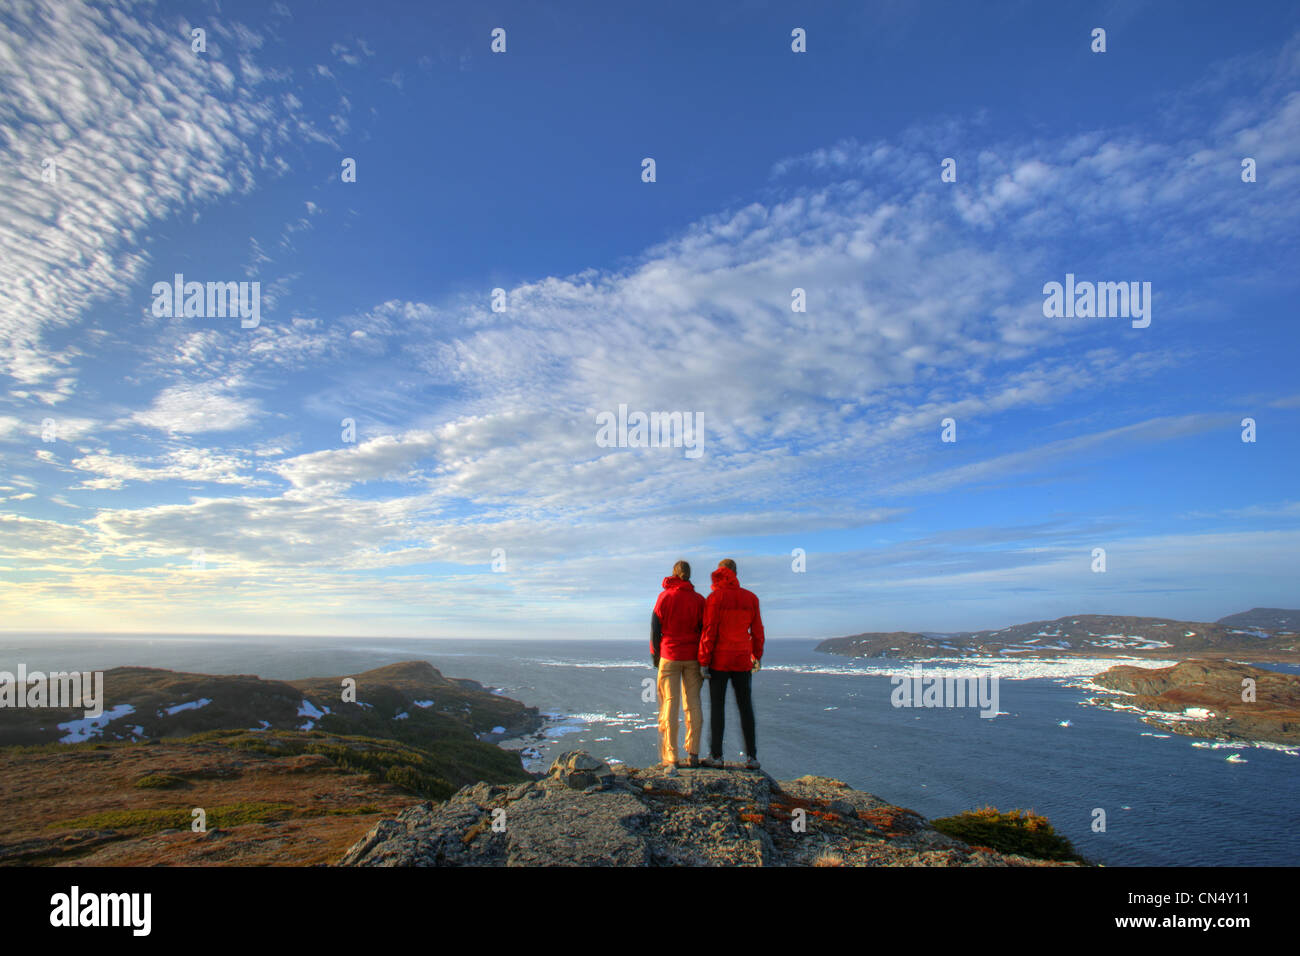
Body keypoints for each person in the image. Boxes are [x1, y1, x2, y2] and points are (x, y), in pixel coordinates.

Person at [698, 558, 765, 769]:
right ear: (736, 573)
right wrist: (757, 655)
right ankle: (752, 757)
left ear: (720, 572)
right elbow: (757, 631)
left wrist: (704, 660)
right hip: (742, 659)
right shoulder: (751, 598)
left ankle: (716, 756)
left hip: (719, 659)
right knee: (745, 706)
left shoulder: (715, 598)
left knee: (717, 707)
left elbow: (709, 631)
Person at [651, 559, 706, 776]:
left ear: (674, 574)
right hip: (692, 656)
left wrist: (655, 654)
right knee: (693, 704)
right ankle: (693, 753)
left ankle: (671, 757)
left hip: (669, 655)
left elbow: (655, 628)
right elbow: (704, 631)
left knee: (670, 705)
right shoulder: (699, 600)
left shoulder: (664, 597)